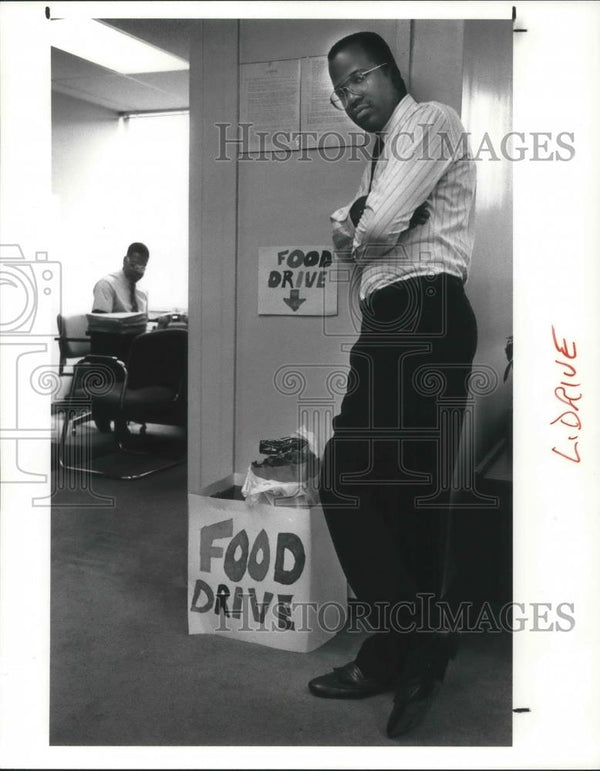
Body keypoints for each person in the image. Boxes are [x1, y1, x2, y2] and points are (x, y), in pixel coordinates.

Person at [308, 32, 478, 738]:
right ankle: (409, 646)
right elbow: (353, 237)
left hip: (423, 311)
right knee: (392, 492)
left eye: (357, 80)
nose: (350, 98)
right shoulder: (382, 155)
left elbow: (369, 225)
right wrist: (361, 226)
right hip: (403, 317)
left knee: (348, 479)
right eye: (339, 90)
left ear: (389, 70)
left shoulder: (430, 123)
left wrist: (363, 224)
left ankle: (408, 642)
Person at [92, 242, 150, 314]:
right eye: (133, 265)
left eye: (141, 268)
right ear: (125, 260)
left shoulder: (143, 292)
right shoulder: (106, 285)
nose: (137, 270)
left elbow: (144, 322)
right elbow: (99, 322)